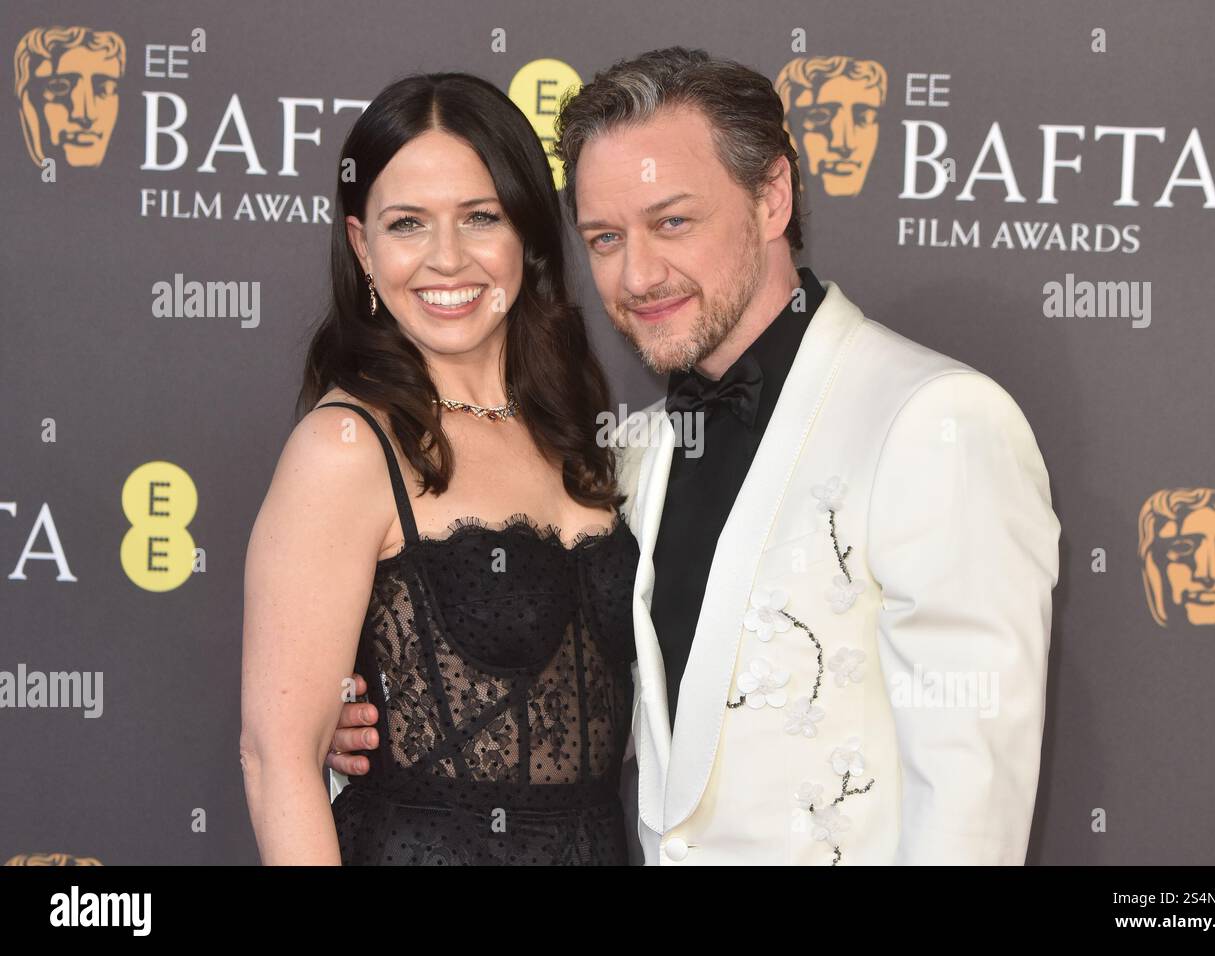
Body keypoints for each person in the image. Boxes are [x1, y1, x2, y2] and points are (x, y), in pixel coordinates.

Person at [331, 47, 1061, 865]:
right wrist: (363, 723)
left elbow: (972, 804)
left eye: (672, 221)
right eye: (605, 238)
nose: (638, 275)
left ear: (773, 195)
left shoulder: (934, 420)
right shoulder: (633, 455)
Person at [239, 72, 639, 865]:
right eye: (408, 224)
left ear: (525, 232)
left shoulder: (585, 434)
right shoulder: (346, 448)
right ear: (363, 246)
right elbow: (275, 759)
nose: (445, 260)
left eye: (480, 218)